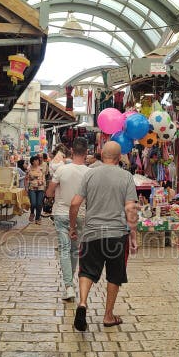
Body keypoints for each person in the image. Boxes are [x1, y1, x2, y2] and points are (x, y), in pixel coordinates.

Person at [69, 141, 138, 331]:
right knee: (114, 276)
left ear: (101, 153)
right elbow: (130, 208)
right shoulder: (126, 177)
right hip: (117, 235)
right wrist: (133, 236)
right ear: (119, 157)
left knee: (87, 271)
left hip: (92, 233)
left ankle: (82, 303)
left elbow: (75, 203)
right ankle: (108, 316)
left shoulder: (90, 173)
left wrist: (73, 227)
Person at [46, 137, 89, 301]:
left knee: (64, 249)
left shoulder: (61, 170)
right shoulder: (89, 172)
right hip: (80, 215)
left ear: (71, 151)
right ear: (86, 153)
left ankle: (69, 287)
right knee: (73, 250)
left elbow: (49, 193)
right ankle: (70, 283)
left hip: (62, 213)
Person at [27, 155, 46, 223]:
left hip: (40, 188)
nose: (38, 161)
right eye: (36, 160)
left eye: (38, 160)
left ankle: (37, 218)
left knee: (39, 204)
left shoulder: (41, 169)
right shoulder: (29, 169)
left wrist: (44, 186)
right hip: (32, 188)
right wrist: (26, 188)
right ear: (32, 161)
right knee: (33, 203)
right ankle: (32, 213)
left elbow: (43, 177)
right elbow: (27, 179)